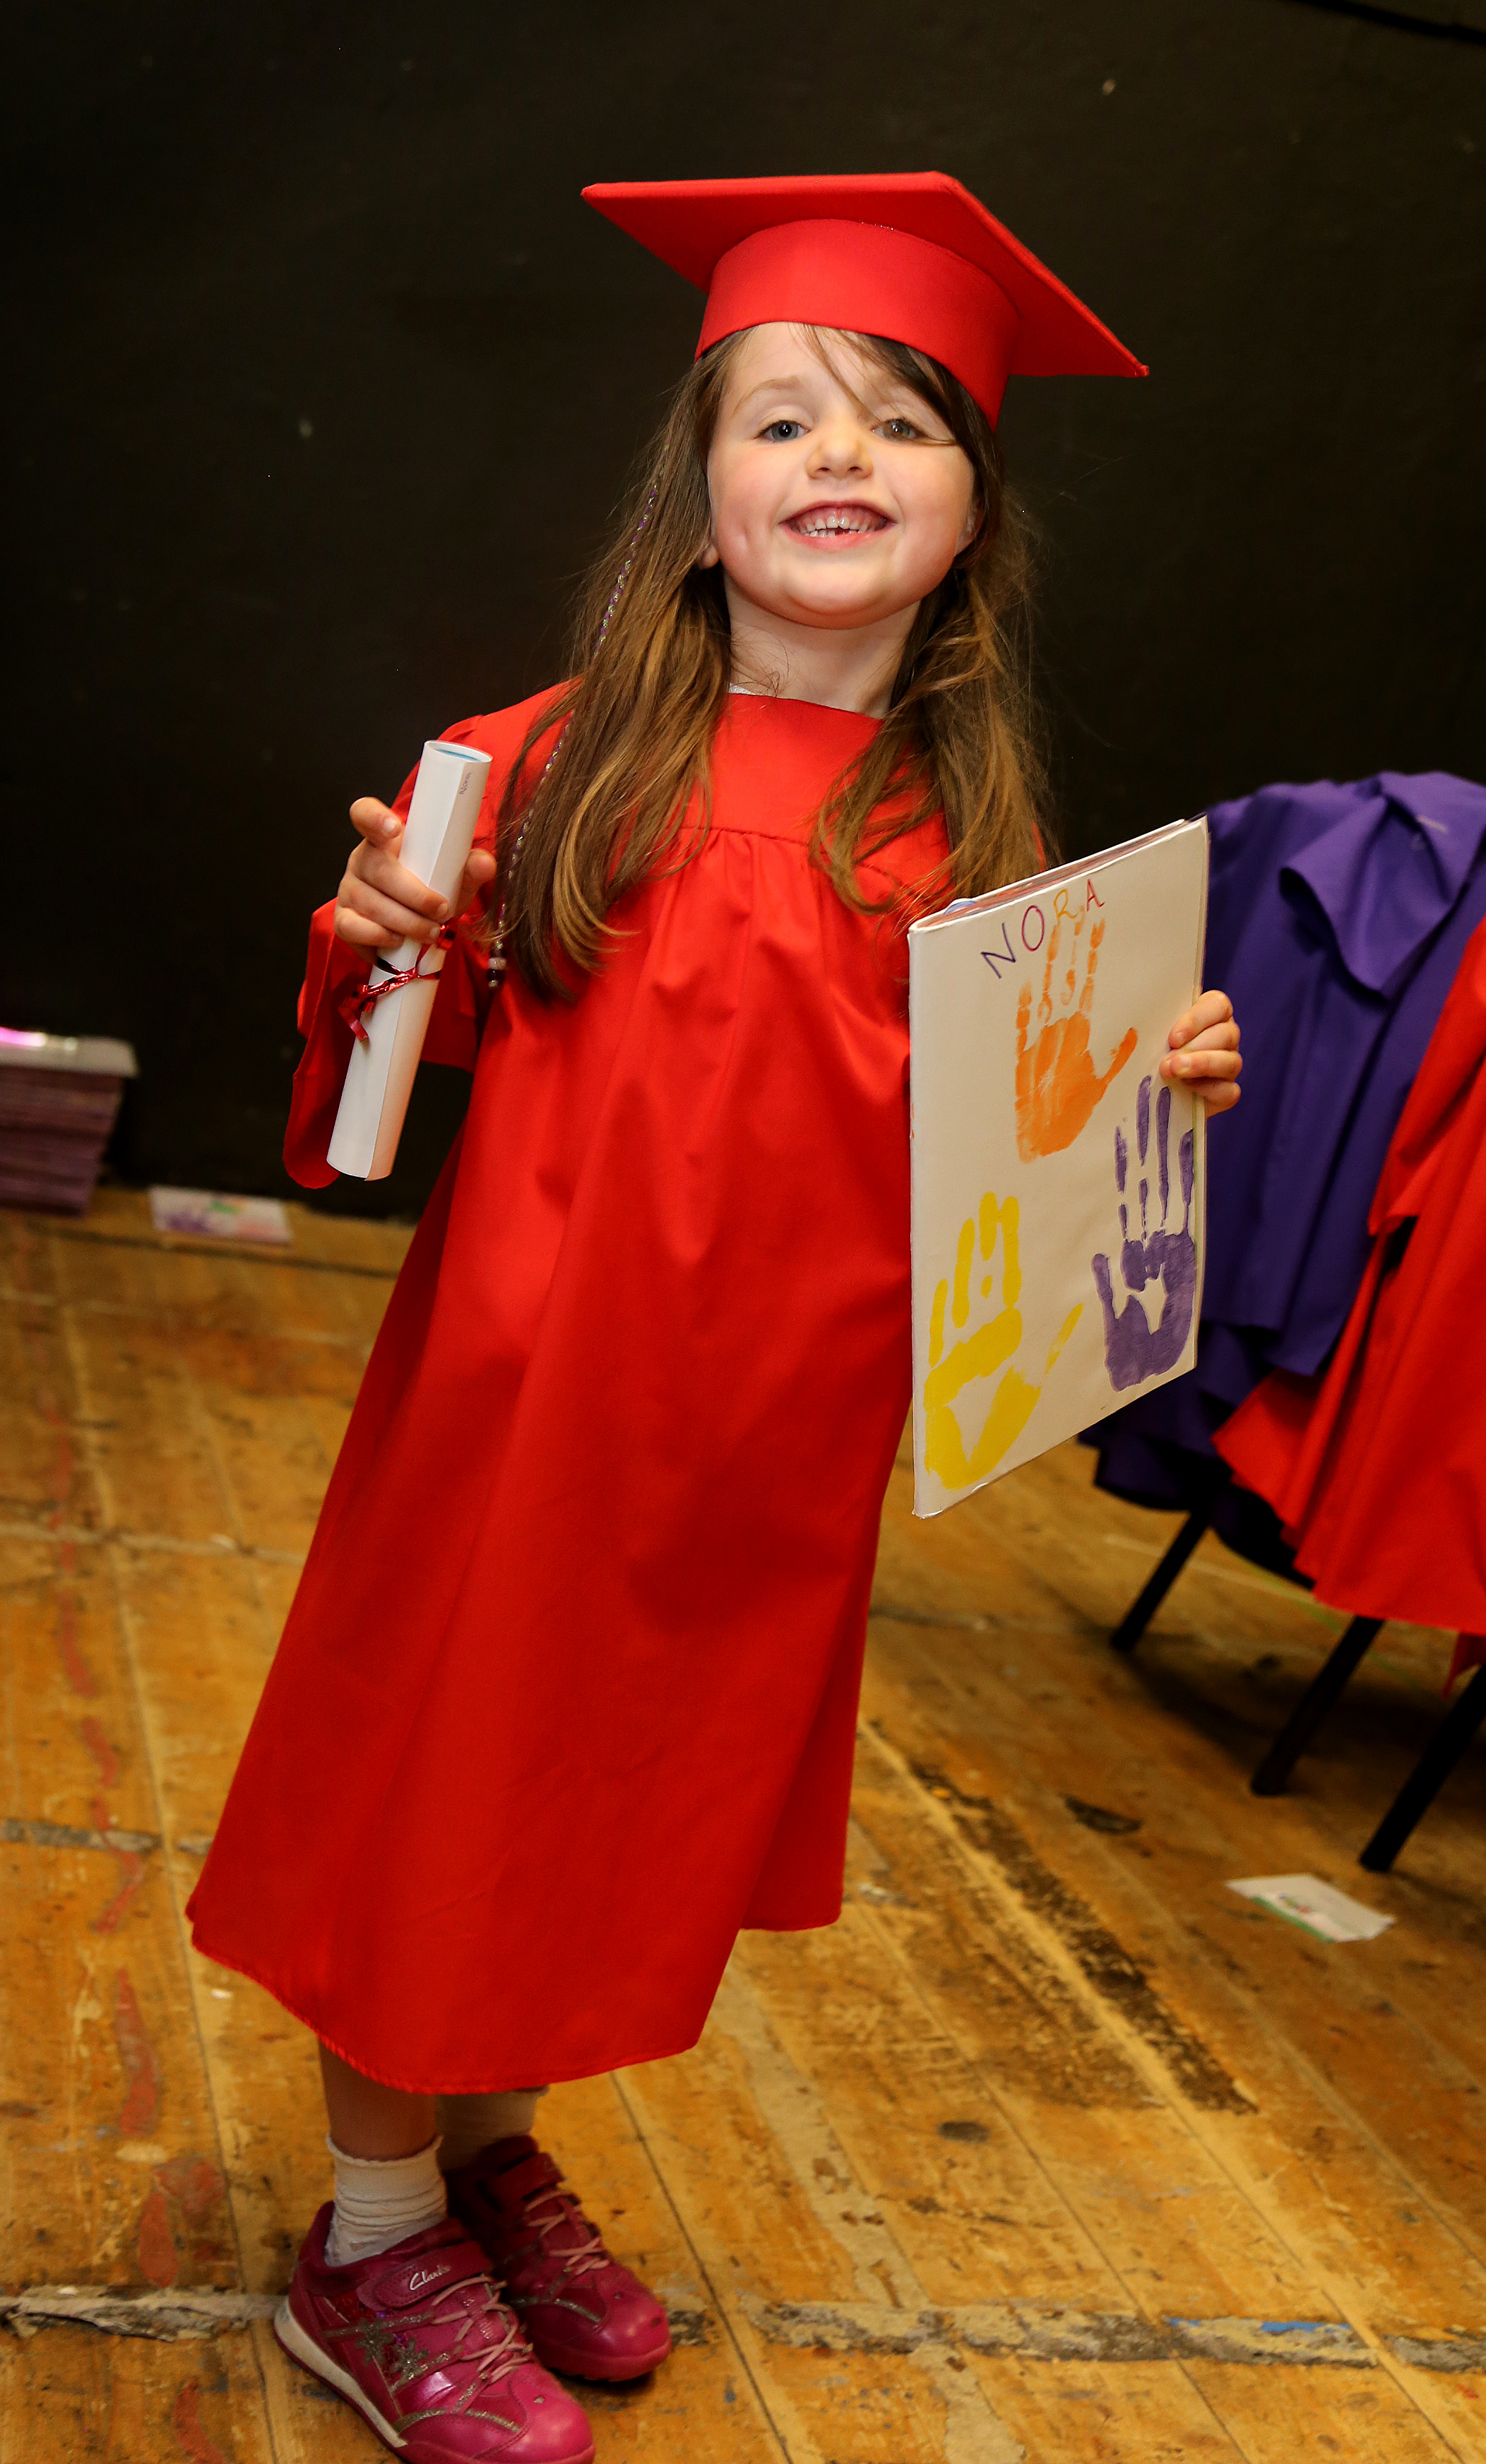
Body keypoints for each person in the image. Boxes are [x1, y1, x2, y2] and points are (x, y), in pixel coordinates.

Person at [189, 174, 1243, 2464]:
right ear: (700, 494)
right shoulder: (550, 761)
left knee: (598, 1823)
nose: (834, 454)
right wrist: (378, 930)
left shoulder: (974, 854)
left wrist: (1144, 1091)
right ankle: (368, 2234)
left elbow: (1022, 1213)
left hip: (760, 1462)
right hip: (526, 1416)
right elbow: (364, 1118)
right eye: (778, 419)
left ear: (974, 515)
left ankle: (478, 2156)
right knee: (450, 1792)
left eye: (897, 419)